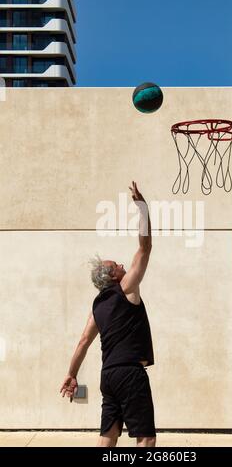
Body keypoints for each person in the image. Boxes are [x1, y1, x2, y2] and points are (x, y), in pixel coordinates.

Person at [60, 182, 156, 448]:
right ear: (113, 277)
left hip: (108, 377)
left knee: (108, 436)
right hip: (129, 373)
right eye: (117, 265)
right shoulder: (126, 288)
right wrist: (143, 210)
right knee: (146, 437)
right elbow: (145, 248)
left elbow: (83, 342)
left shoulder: (97, 306)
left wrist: (71, 373)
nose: (123, 264)